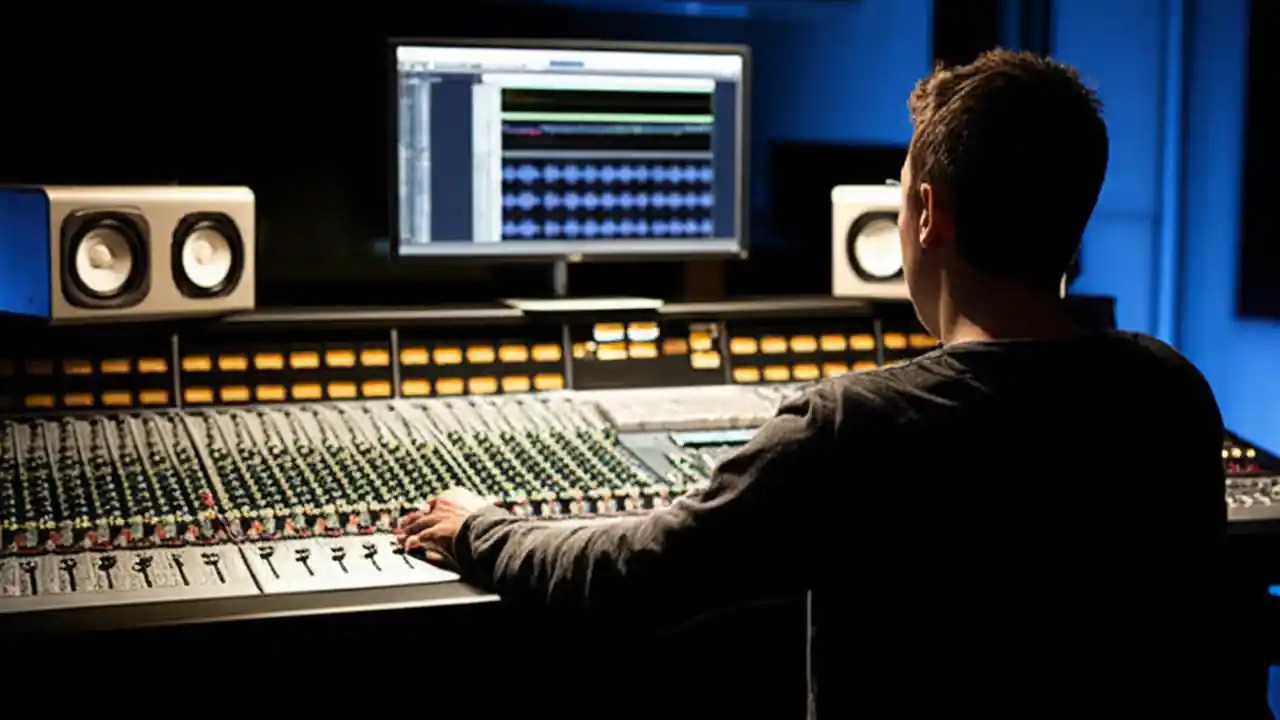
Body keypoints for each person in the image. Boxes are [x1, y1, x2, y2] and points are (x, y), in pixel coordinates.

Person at [398, 50, 1255, 718]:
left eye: (903, 192)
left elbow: (632, 576)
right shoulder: (1170, 391)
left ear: (927, 215)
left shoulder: (855, 427)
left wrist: (484, 530)